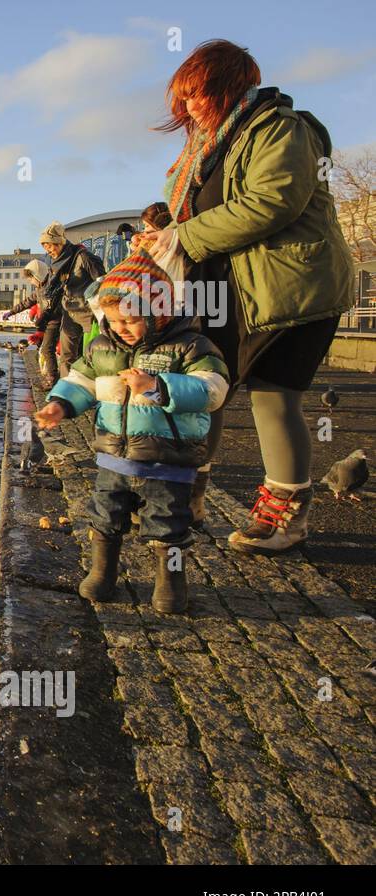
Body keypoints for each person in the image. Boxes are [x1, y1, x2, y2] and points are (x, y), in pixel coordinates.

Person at [144, 39, 353, 554]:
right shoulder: (207, 147)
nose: (189, 107)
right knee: (205, 389)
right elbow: (193, 216)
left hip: (287, 289)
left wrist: (182, 238)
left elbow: (270, 203)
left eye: (197, 94)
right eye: (184, 98)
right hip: (225, 289)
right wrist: (162, 236)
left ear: (227, 86)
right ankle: (186, 495)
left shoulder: (281, 130)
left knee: (273, 396)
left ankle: (285, 518)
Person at [34, 249, 230, 614]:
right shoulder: (102, 346)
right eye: (113, 320)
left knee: (169, 524)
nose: (121, 328)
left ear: (160, 311)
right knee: (104, 515)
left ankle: (171, 582)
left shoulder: (191, 346)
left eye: (130, 320)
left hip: (168, 456)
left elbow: (214, 389)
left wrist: (159, 386)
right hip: (114, 455)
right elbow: (82, 380)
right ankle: (102, 572)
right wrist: (60, 403)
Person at [39, 221, 105, 380]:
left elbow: (102, 281)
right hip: (69, 312)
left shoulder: (83, 257)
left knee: (91, 355)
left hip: (89, 314)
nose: (50, 250)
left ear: (60, 242)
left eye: (52, 245)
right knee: (67, 355)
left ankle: (91, 391)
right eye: (45, 246)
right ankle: (66, 390)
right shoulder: (54, 263)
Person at [4, 257, 56, 383]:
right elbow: (26, 303)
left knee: (47, 349)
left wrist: (40, 320)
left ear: (38, 275)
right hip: (46, 323)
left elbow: (53, 307)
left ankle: (52, 378)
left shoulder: (51, 288)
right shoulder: (40, 290)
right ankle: (49, 374)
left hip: (54, 322)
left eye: (31, 279)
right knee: (45, 348)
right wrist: (12, 312)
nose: (31, 282)